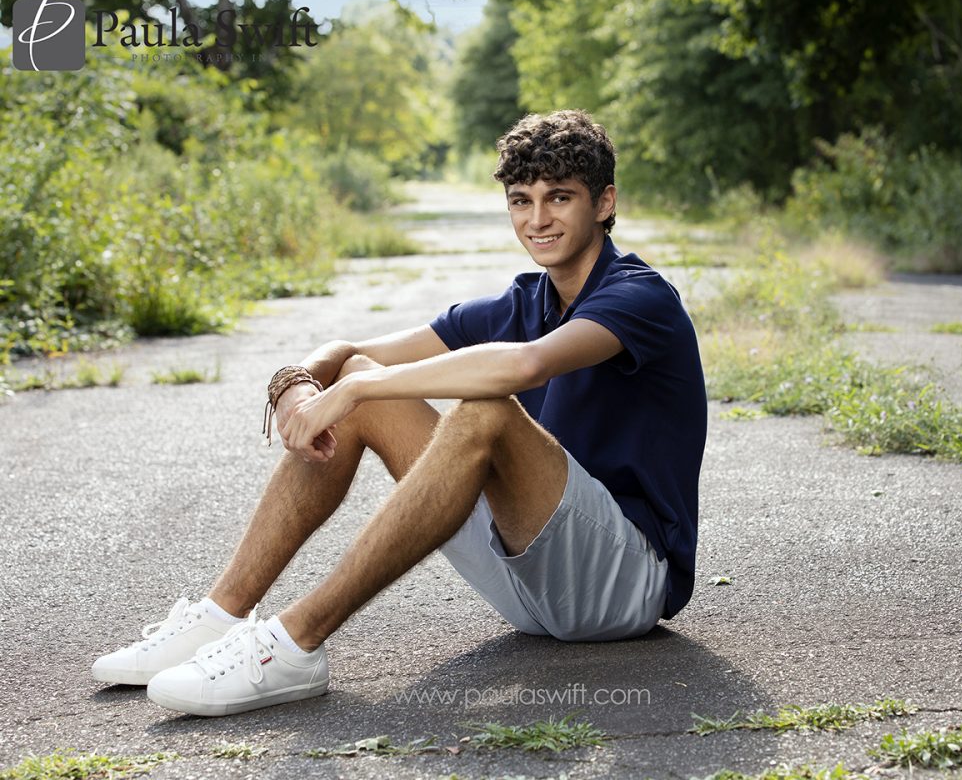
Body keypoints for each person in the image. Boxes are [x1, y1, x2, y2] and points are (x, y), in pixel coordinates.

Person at [92, 110, 708, 717]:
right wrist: (296, 385)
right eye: (521, 201)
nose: (538, 219)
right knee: (366, 382)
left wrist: (358, 389)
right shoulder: (525, 300)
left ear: (604, 202)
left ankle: (294, 644)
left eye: (560, 198)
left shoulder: (640, 296)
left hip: (625, 584)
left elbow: (526, 366)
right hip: (526, 580)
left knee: (482, 411)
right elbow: (349, 353)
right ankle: (219, 617)